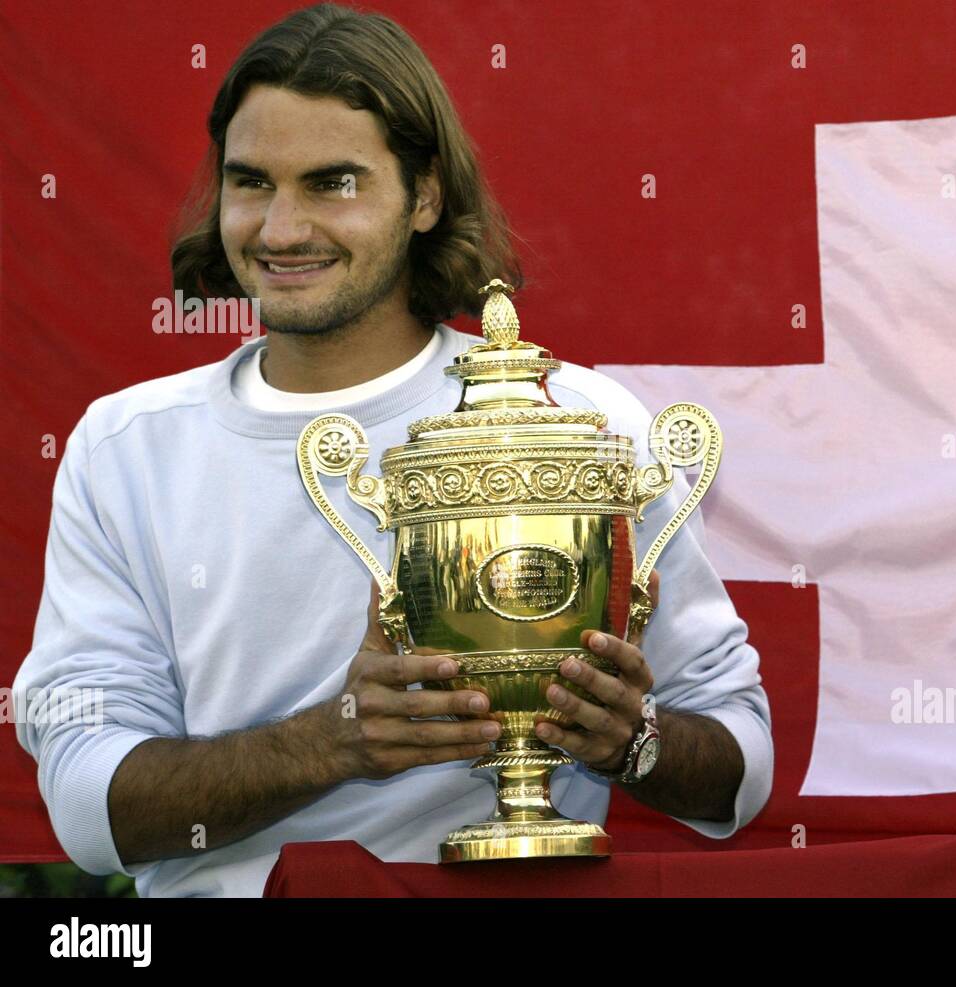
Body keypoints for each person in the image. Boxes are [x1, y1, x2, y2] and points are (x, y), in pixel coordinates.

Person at [12, 3, 772, 897]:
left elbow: (741, 767)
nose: (281, 229)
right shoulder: (124, 448)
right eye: (251, 182)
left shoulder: (579, 418)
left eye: (333, 183)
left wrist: (631, 741)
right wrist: (333, 741)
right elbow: (87, 807)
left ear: (425, 196)